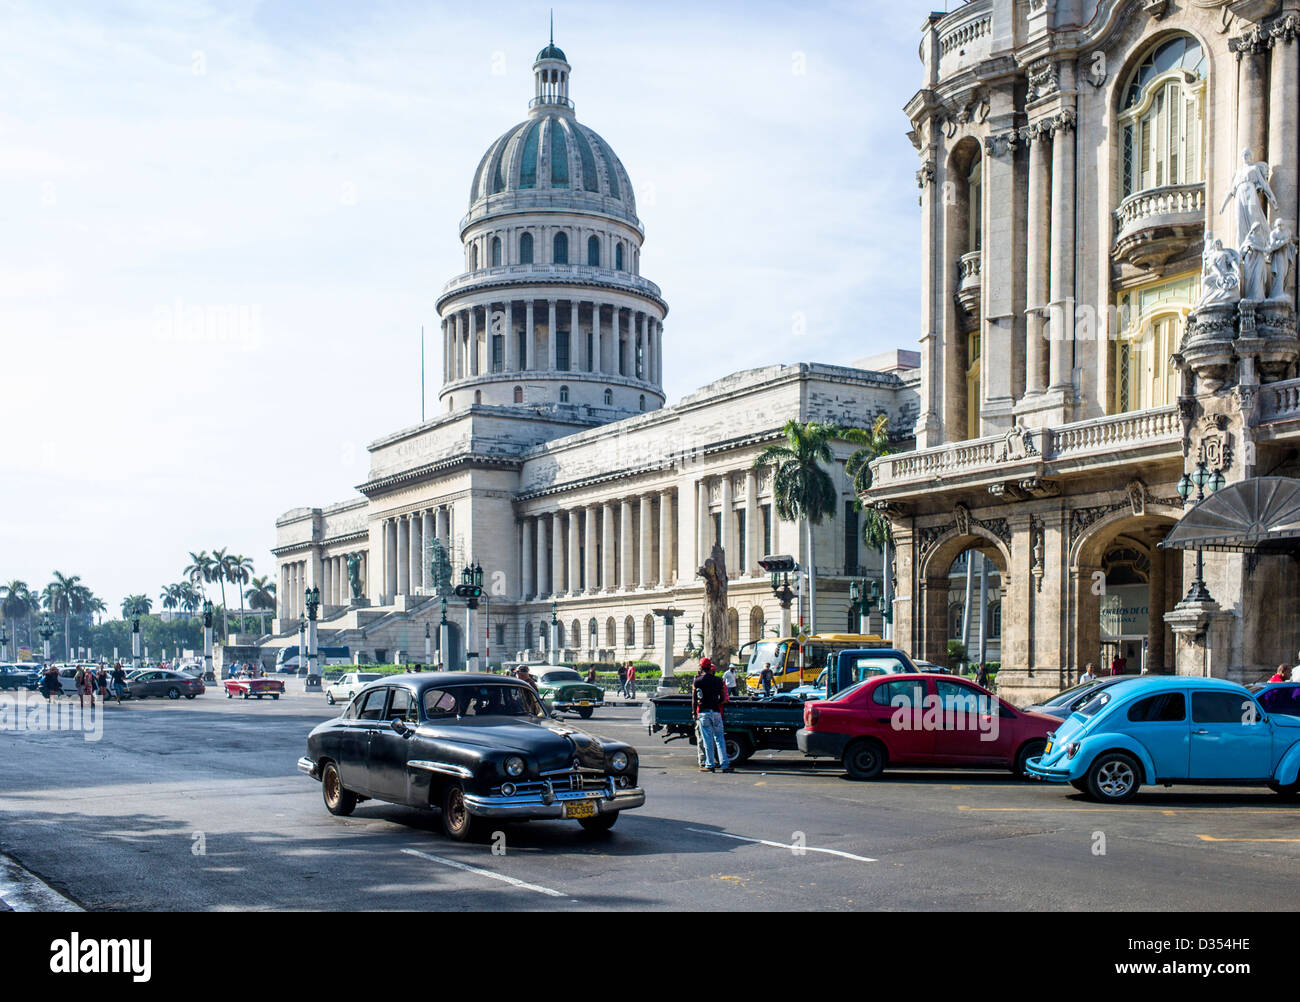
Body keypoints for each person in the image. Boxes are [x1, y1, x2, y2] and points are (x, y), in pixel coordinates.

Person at [692, 657, 731, 773]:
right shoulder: (718, 681)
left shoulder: (698, 681)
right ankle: (724, 764)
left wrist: (694, 713)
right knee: (720, 739)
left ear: (701, 667)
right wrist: (715, 704)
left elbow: (694, 699)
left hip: (704, 712)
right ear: (710, 668)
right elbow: (723, 698)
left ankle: (710, 764)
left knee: (707, 739)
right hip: (716, 712)